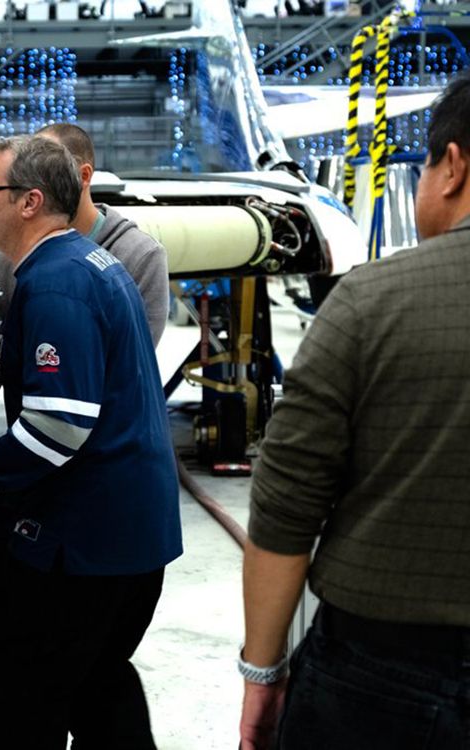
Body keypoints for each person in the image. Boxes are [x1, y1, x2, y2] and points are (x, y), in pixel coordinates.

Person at [0, 135, 182, 749]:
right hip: (124, 534)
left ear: (29, 202)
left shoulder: (58, 283)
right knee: (97, 690)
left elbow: (60, 425)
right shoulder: (88, 264)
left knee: (23, 699)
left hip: (80, 542)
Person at [239, 74, 470, 750]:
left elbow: (286, 507)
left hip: (381, 676)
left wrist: (263, 669)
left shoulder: (372, 302)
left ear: (453, 167)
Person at [0, 123, 169, 345]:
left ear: (83, 176)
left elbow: (133, 356)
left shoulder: (139, 255)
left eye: (48, 165)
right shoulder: (3, 255)